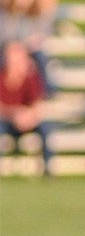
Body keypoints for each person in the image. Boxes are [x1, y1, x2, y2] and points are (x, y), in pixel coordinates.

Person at [0, 38, 52, 175]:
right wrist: (14, 114)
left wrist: (28, 116)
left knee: (45, 128)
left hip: (26, 120)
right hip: (6, 120)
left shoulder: (30, 77)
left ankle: (48, 169)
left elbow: (37, 104)